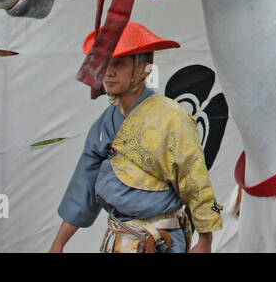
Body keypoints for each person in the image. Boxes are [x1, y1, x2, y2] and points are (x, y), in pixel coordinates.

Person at [50, 21, 223, 253]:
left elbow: (195, 179)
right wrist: (58, 244)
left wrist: (205, 241)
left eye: (119, 64)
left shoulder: (172, 118)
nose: (109, 72)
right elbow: (84, 185)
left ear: (145, 68)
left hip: (161, 241)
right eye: (106, 63)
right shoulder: (105, 123)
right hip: (119, 238)